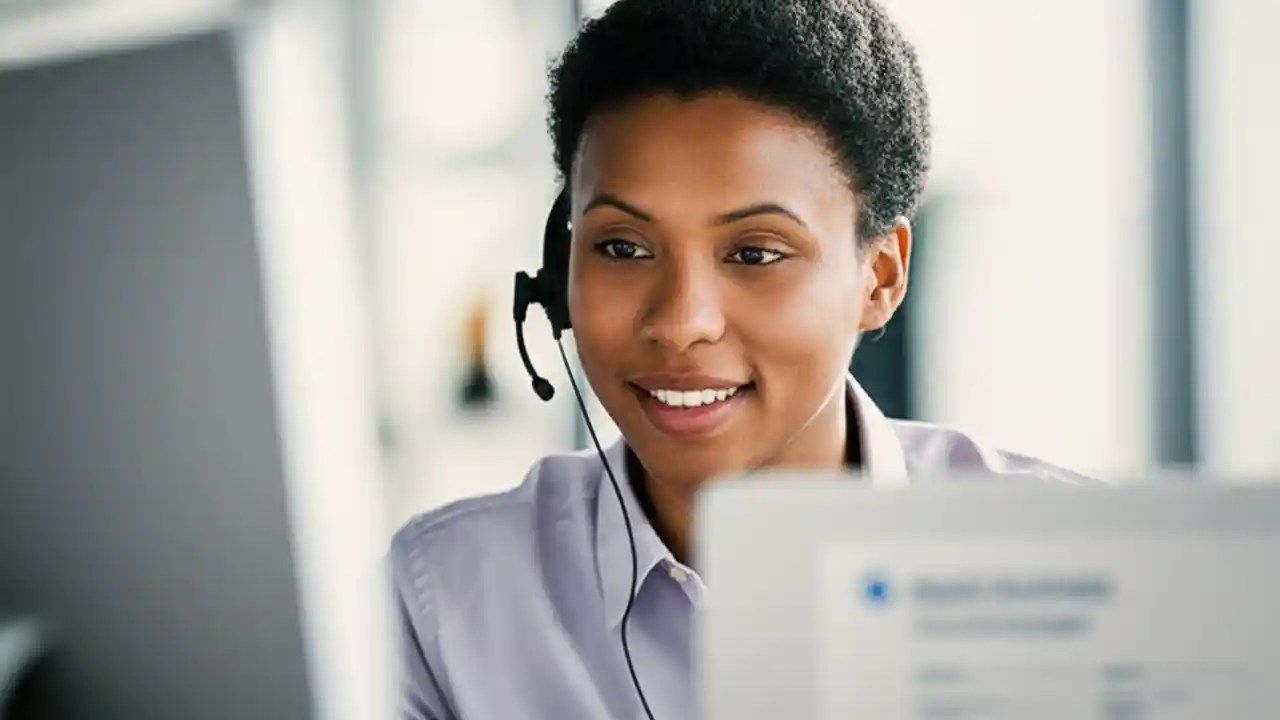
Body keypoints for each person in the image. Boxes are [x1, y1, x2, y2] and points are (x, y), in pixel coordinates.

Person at [391, 1, 1088, 718]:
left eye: (755, 253)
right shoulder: (443, 599)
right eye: (623, 247)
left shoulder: (1074, 568)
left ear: (879, 276)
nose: (680, 322)